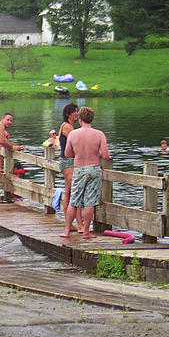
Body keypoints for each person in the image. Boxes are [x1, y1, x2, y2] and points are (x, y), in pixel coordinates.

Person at [61, 106, 111, 239]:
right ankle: (86, 232)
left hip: (79, 169)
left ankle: (66, 231)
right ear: (91, 119)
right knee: (89, 202)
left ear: (80, 119)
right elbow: (106, 155)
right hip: (94, 168)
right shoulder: (99, 134)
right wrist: (97, 152)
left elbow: (67, 154)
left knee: (74, 201)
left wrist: (78, 152)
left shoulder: (73, 134)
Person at [58, 102, 80, 232]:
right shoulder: (67, 127)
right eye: (74, 111)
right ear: (68, 114)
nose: (76, 113)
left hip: (68, 162)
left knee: (68, 192)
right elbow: (76, 143)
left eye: (77, 111)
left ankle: (69, 223)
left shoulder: (68, 126)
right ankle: (75, 224)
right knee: (71, 192)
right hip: (68, 162)